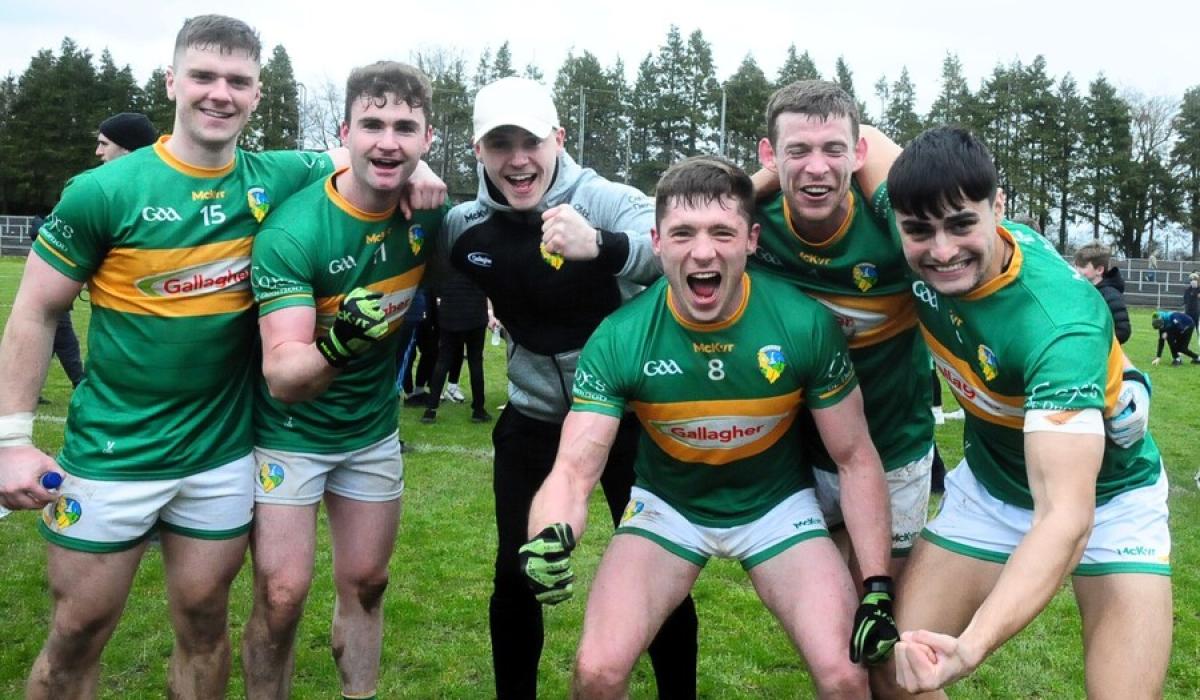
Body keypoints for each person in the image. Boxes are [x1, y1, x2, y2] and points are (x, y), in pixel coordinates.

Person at [0, 15, 342, 699]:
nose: (221, 93)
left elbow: (363, 159)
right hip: (111, 452)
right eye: (205, 76)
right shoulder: (105, 190)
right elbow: (36, 310)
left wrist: (419, 167)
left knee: (205, 628)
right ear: (172, 83)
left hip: (218, 456)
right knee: (77, 634)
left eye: (238, 81)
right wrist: (11, 440)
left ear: (257, 94)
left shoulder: (279, 176)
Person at [522, 156, 894, 697]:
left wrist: (877, 585)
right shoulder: (620, 336)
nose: (702, 251)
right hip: (668, 509)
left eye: (722, 232)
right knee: (596, 672)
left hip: (777, 508)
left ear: (751, 239)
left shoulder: (804, 323)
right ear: (657, 240)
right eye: (683, 233)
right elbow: (574, 470)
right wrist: (550, 535)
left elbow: (855, 457)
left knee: (844, 675)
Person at [880, 126, 1171, 698]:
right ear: (896, 220)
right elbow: (854, 136)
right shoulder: (905, 209)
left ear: (999, 208)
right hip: (990, 491)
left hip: (1111, 502)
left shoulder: (1059, 324)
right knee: (900, 673)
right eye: (919, 231)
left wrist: (973, 645)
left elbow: (1065, 518)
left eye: (963, 224)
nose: (941, 251)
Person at [436, 76, 698, 699]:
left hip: (628, 421)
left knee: (655, 576)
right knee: (514, 574)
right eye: (501, 143)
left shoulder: (605, 199)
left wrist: (600, 246)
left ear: (557, 136)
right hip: (531, 420)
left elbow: (674, 252)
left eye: (530, 139)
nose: (518, 158)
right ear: (479, 150)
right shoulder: (462, 224)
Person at [240, 61, 445, 700]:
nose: (388, 141)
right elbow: (285, 377)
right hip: (289, 434)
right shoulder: (293, 231)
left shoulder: (429, 211)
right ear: (345, 131)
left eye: (405, 128)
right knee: (281, 596)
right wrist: (339, 342)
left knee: (368, 583)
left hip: (370, 433)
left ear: (428, 140)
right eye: (373, 124)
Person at [752, 80, 934, 573]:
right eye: (799, 150)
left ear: (858, 153)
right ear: (769, 153)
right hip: (800, 453)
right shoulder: (749, 225)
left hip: (894, 446)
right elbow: (674, 243)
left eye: (833, 149)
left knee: (880, 616)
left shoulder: (894, 225)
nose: (817, 167)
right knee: (828, 619)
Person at [422, 267, 491, 423]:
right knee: (475, 362)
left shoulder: (446, 266)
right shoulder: (477, 264)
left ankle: (430, 409)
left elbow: (436, 289)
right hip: (475, 317)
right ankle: (478, 409)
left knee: (443, 361)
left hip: (449, 316)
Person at [1073, 242, 1131, 344]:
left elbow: (1123, 331)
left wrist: (1095, 342)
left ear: (1099, 270)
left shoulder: (1111, 295)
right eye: (1076, 265)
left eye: (1083, 266)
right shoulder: (1081, 292)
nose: (1077, 270)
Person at [1183, 272, 1199, 345]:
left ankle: (1199, 339)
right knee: (1186, 327)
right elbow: (1185, 301)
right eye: (1192, 279)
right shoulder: (1187, 290)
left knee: (1197, 327)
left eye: (1195, 279)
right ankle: (1184, 342)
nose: (1193, 281)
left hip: (1196, 311)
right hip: (1188, 311)